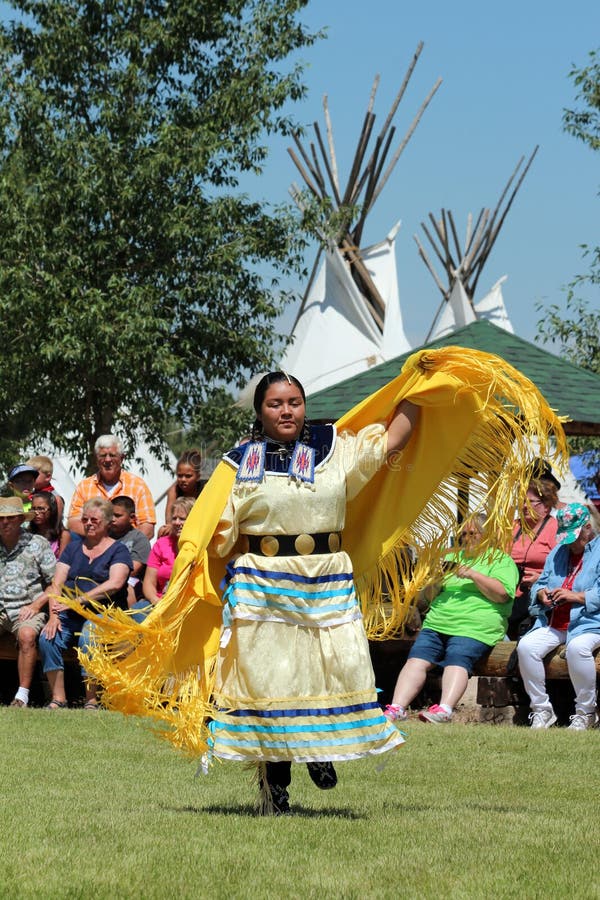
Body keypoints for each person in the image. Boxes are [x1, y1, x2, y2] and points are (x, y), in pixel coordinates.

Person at [62, 347, 566, 815]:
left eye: (296, 402)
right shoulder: (239, 463)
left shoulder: (333, 447)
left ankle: (320, 751)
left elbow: (393, 439)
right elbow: (215, 528)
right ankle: (275, 782)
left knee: (333, 669)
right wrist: (211, 550)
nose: (288, 411)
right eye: (277, 404)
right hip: (262, 581)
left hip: (325, 577)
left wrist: (416, 387)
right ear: (261, 411)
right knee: (269, 681)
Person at [384, 514, 519, 724]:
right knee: (416, 659)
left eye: (472, 533)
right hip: (438, 622)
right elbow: (425, 599)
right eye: (463, 534)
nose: (467, 538)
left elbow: (501, 594)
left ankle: (445, 709)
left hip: (474, 626)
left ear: (487, 535)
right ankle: (396, 708)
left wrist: (474, 575)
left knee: (457, 657)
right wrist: (435, 581)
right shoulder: (452, 558)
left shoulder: (501, 560)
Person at [39, 498, 132, 709]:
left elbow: (115, 583)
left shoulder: (119, 550)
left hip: (106, 612)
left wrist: (78, 601)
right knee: (48, 636)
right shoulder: (73, 548)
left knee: (90, 635)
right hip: (69, 612)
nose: (88, 523)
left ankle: (91, 699)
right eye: (85, 520)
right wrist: (53, 616)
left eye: (94, 520)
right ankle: (58, 698)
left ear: (108, 522)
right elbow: (57, 583)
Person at [517, 503, 600, 730]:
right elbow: (541, 583)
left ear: (587, 529)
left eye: (574, 536)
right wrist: (541, 593)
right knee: (526, 647)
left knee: (577, 649)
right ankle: (542, 710)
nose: (570, 543)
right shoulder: (557, 551)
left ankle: (586, 712)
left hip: (590, 622)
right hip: (554, 621)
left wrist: (575, 596)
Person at [0, 497, 56, 707]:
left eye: (10, 518)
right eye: (1, 518)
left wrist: (35, 605)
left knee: (26, 635)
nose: (5, 522)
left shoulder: (37, 543)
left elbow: (55, 583)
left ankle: (21, 696)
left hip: (28, 606)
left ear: (21, 519)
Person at [67, 435, 156, 540]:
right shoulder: (84, 487)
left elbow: (148, 528)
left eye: (112, 455)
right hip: (92, 547)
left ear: (122, 458)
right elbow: (73, 522)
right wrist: (101, 540)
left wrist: (121, 547)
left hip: (127, 551)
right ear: (96, 459)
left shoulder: (138, 486)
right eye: (103, 455)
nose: (108, 460)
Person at [507, 479, 558, 639]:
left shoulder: (555, 528)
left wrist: (541, 579)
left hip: (534, 593)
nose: (523, 506)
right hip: (505, 588)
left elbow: (565, 568)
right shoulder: (513, 526)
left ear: (546, 506)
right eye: (522, 501)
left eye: (530, 502)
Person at [143, 497, 195, 606]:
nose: (177, 522)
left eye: (182, 519)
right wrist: (156, 601)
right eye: (174, 518)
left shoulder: (200, 548)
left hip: (188, 605)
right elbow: (148, 583)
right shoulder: (161, 544)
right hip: (160, 602)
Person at [108, 496, 151, 606]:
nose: (112, 519)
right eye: (110, 514)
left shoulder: (140, 539)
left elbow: (134, 569)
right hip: (104, 576)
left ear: (132, 518)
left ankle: (127, 619)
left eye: (117, 516)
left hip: (130, 580)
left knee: (127, 586)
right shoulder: (103, 535)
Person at [159, 449, 204, 536]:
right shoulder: (173, 490)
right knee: (162, 531)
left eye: (188, 476)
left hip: (199, 528)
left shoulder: (205, 489)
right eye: (180, 476)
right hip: (178, 528)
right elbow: (169, 522)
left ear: (198, 476)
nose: (183, 480)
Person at [29, 491, 71, 559]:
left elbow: (62, 564)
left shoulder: (63, 535)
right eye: (33, 509)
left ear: (52, 510)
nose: (36, 512)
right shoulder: (28, 533)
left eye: (41, 509)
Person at [26, 454, 65, 522]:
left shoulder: (55, 499)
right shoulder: (29, 495)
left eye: (34, 474)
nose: (30, 477)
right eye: (28, 474)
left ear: (48, 477)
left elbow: (57, 523)